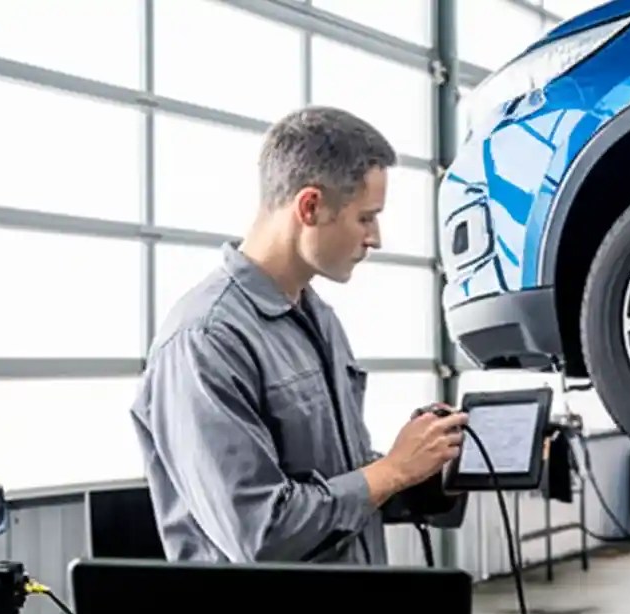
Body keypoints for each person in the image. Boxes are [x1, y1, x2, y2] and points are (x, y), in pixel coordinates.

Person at [129, 106, 467, 565]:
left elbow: (337, 480)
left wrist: (431, 465)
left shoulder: (317, 317)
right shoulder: (206, 341)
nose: (376, 238)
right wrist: (390, 471)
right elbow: (260, 533)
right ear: (310, 206)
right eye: (366, 218)